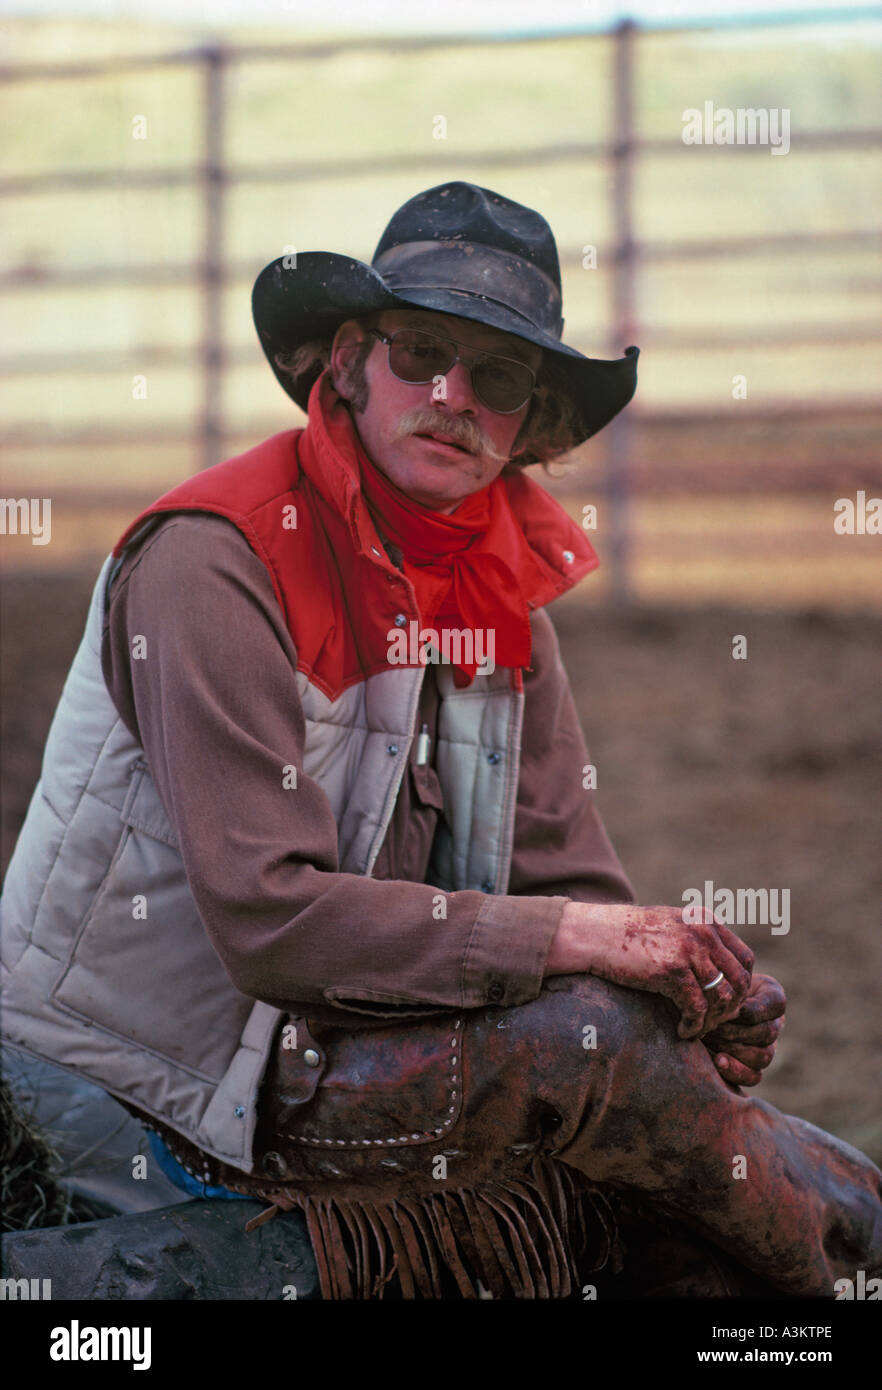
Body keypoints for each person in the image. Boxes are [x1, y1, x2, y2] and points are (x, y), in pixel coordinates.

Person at [2, 181, 880, 1301]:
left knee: (645, 1079)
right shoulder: (212, 564)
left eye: (497, 377)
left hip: (329, 1052)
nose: (451, 395)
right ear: (348, 364)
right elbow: (273, 923)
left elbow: (576, 892)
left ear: (527, 422)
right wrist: (600, 959)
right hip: (136, 1089)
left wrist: (692, 998)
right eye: (421, 353)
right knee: (605, 1060)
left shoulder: (504, 608)